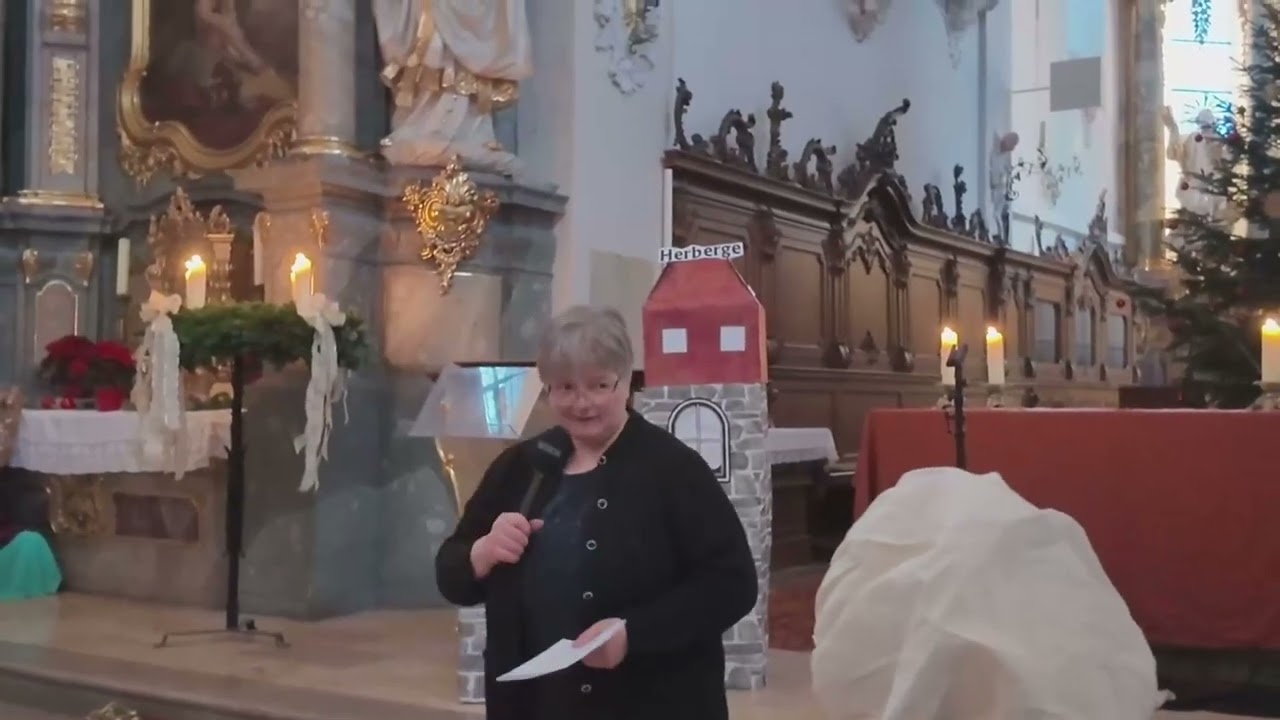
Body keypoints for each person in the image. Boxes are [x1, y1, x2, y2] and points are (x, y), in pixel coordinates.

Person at [434, 305, 758, 720]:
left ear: (627, 384)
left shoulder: (674, 469)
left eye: (599, 385)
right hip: (536, 705)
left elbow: (732, 584)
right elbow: (451, 573)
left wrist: (633, 634)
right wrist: (480, 554)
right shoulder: (522, 466)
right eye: (565, 387)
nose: (582, 403)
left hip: (654, 702)